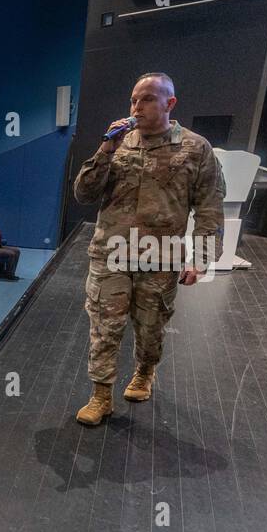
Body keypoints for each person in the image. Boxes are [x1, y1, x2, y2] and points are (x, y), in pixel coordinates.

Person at [71, 71, 224, 425]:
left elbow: (210, 206)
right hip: (111, 253)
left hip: (160, 256)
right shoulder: (118, 143)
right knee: (104, 326)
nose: (136, 107)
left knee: (151, 327)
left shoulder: (195, 148)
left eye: (147, 99)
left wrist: (201, 258)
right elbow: (83, 194)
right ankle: (101, 395)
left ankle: (144, 372)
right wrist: (105, 149)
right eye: (133, 100)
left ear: (169, 103)